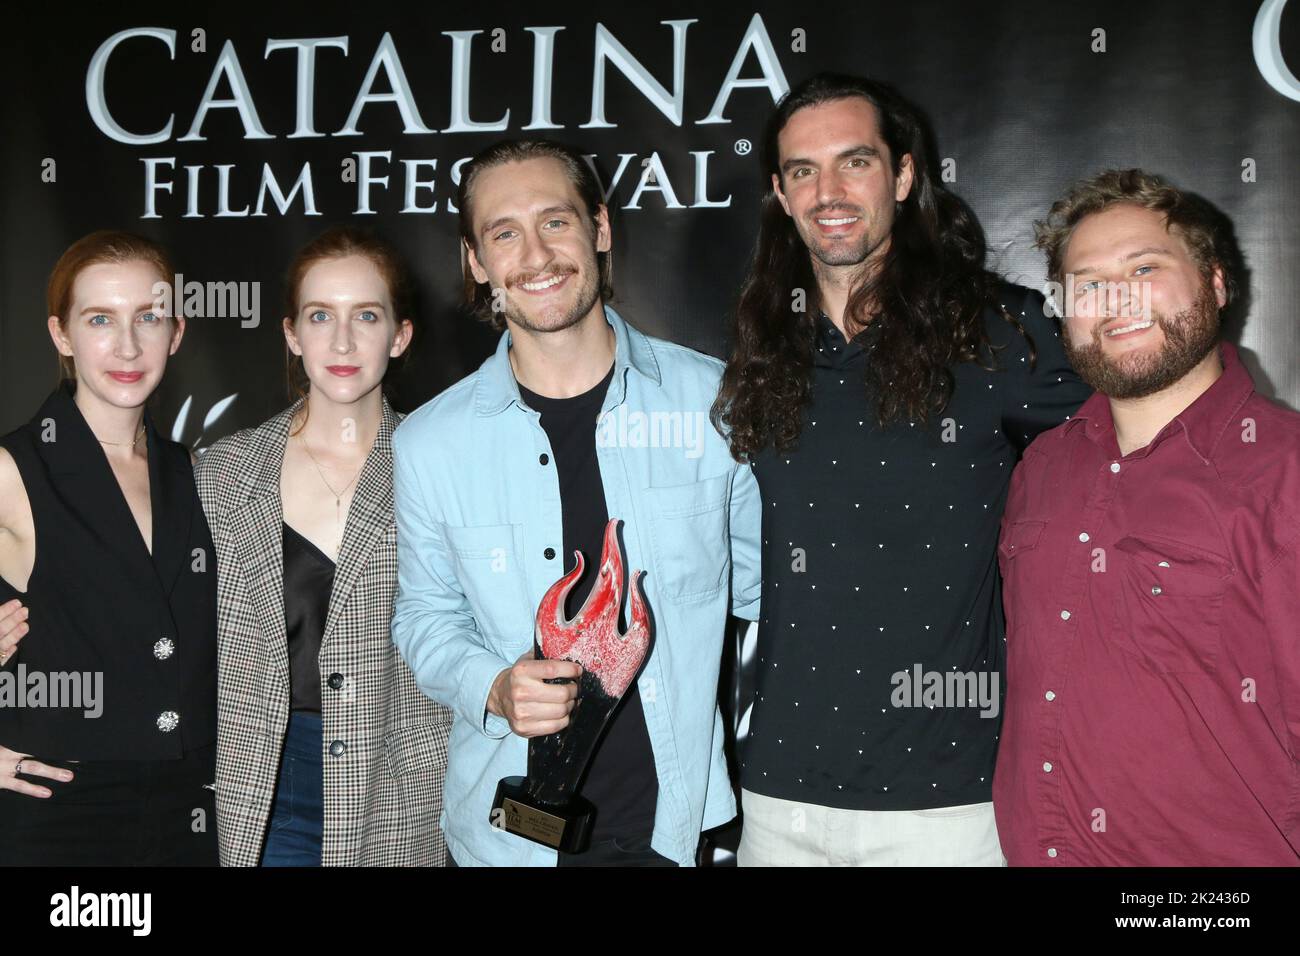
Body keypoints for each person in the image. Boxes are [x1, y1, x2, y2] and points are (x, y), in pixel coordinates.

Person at [713, 73, 1091, 866]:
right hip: (781, 798)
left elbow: (1139, 452)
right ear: (779, 193)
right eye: (803, 172)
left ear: (905, 175)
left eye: (855, 162)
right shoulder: (764, 345)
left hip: (948, 805)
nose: (829, 192)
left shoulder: (1002, 334)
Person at [391, 139, 762, 867]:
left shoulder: (714, 402)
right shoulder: (430, 442)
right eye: (504, 233)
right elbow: (424, 618)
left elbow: (765, 594)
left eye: (555, 221)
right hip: (507, 844)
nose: (535, 254)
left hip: (676, 835)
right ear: (475, 261)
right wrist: (492, 686)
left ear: (600, 228)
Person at [995, 168, 1300, 865]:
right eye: (1088, 282)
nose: (1115, 299)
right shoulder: (1042, 468)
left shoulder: (1285, 474)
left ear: (1217, 284)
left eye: (1144, 267)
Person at [193, 227, 453, 866]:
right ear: (291, 333)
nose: (342, 341)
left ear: (400, 335)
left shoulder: (444, 468)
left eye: (366, 315)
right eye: (320, 316)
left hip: (399, 799)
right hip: (258, 793)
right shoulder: (220, 474)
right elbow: (140, 627)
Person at [0, 230, 218, 865]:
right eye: (100, 319)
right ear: (62, 335)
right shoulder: (16, 468)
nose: (127, 345)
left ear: (175, 333)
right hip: (60, 812)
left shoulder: (196, 473)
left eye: (147, 318)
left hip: (190, 809)